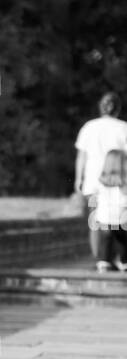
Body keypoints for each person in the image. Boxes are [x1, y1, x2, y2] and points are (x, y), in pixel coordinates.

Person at [74, 92, 127, 272]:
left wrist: (78, 178)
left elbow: (82, 156)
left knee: (95, 221)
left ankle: (100, 258)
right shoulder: (123, 128)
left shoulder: (89, 127)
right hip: (118, 182)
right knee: (119, 220)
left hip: (93, 183)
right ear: (118, 109)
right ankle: (116, 258)